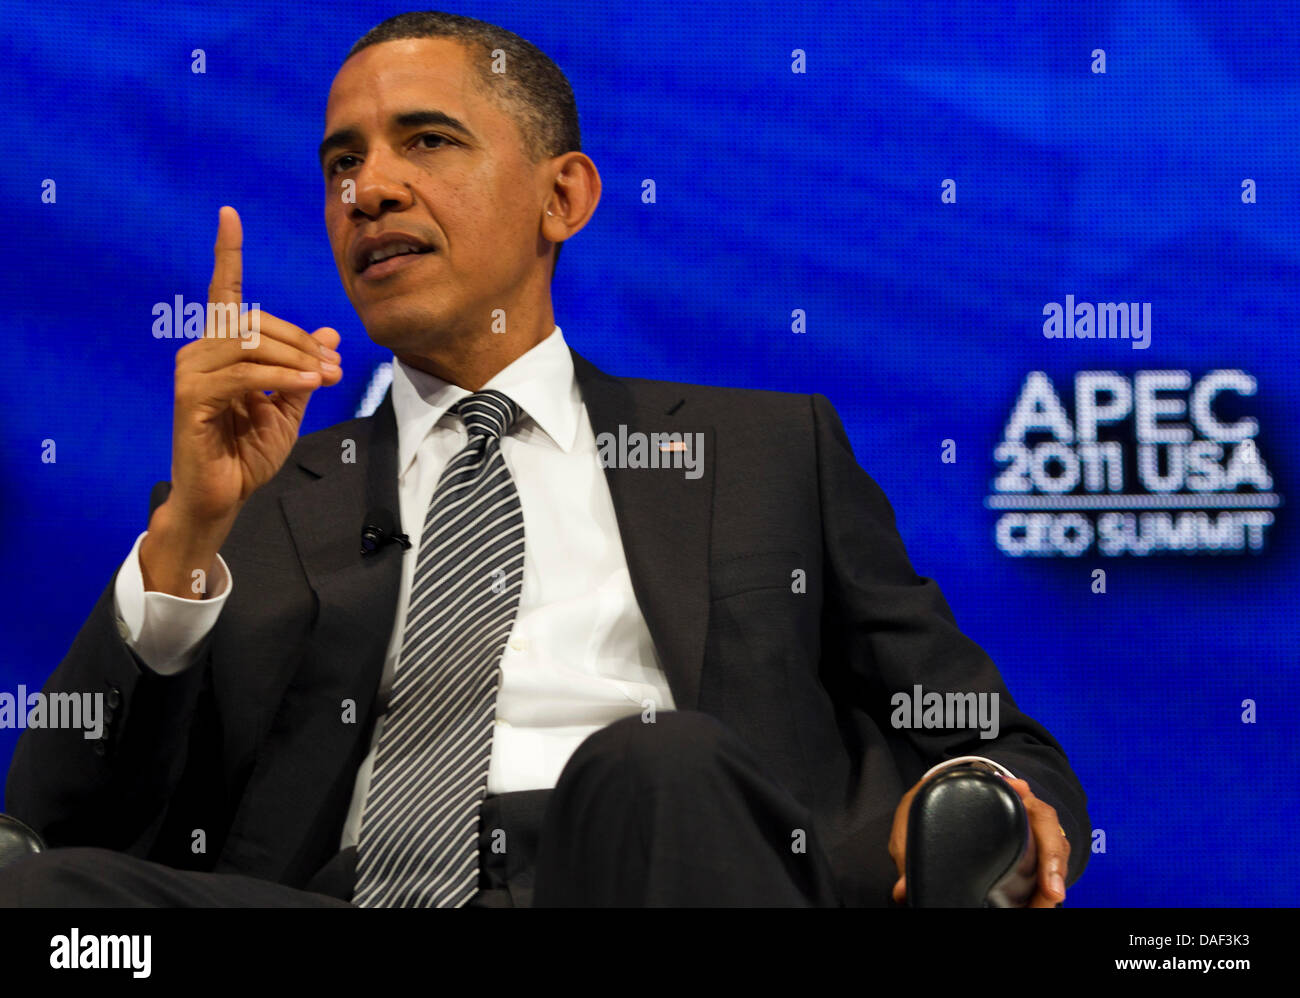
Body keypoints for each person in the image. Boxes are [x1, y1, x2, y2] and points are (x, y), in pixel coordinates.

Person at [0, 11, 1087, 908]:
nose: (368, 190)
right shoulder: (255, 495)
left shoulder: (764, 453)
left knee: (655, 759)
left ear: (561, 197)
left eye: (425, 141)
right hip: (342, 897)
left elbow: (986, 739)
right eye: (343, 161)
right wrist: (187, 533)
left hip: (658, 858)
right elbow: (57, 819)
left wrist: (982, 785)